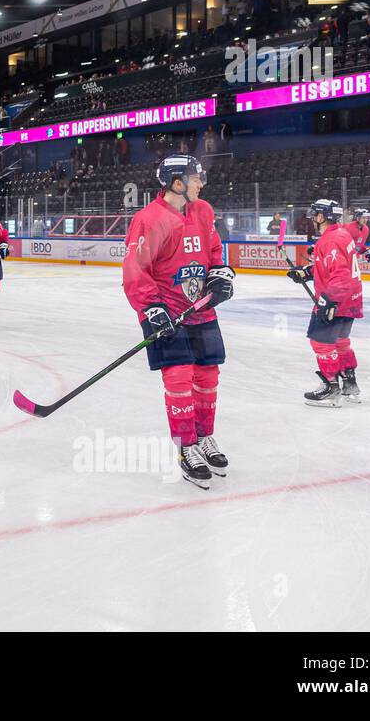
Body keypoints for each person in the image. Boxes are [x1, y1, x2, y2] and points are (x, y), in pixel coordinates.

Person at [121, 154, 234, 490]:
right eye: (196, 177)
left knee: (208, 374)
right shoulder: (149, 220)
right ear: (177, 183)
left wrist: (219, 274)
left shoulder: (204, 211)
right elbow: (135, 271)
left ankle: (204, 436)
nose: (202, 182)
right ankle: (187, 446)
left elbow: (214, 251)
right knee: (180, 377)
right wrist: (151, 309)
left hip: (200, 308)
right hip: (165, 310)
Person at [288, 199, 363, 406]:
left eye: (314, 215)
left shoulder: (328, 241)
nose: (312, 219)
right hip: (350, 300)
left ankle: (331, 387)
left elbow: (340, 274)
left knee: (321, 343)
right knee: (341, 342)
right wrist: (308, 272)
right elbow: (334, 267)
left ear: (321, 217)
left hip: (336, 299)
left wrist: (329, 300)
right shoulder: (342, 234)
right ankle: (349, 383)